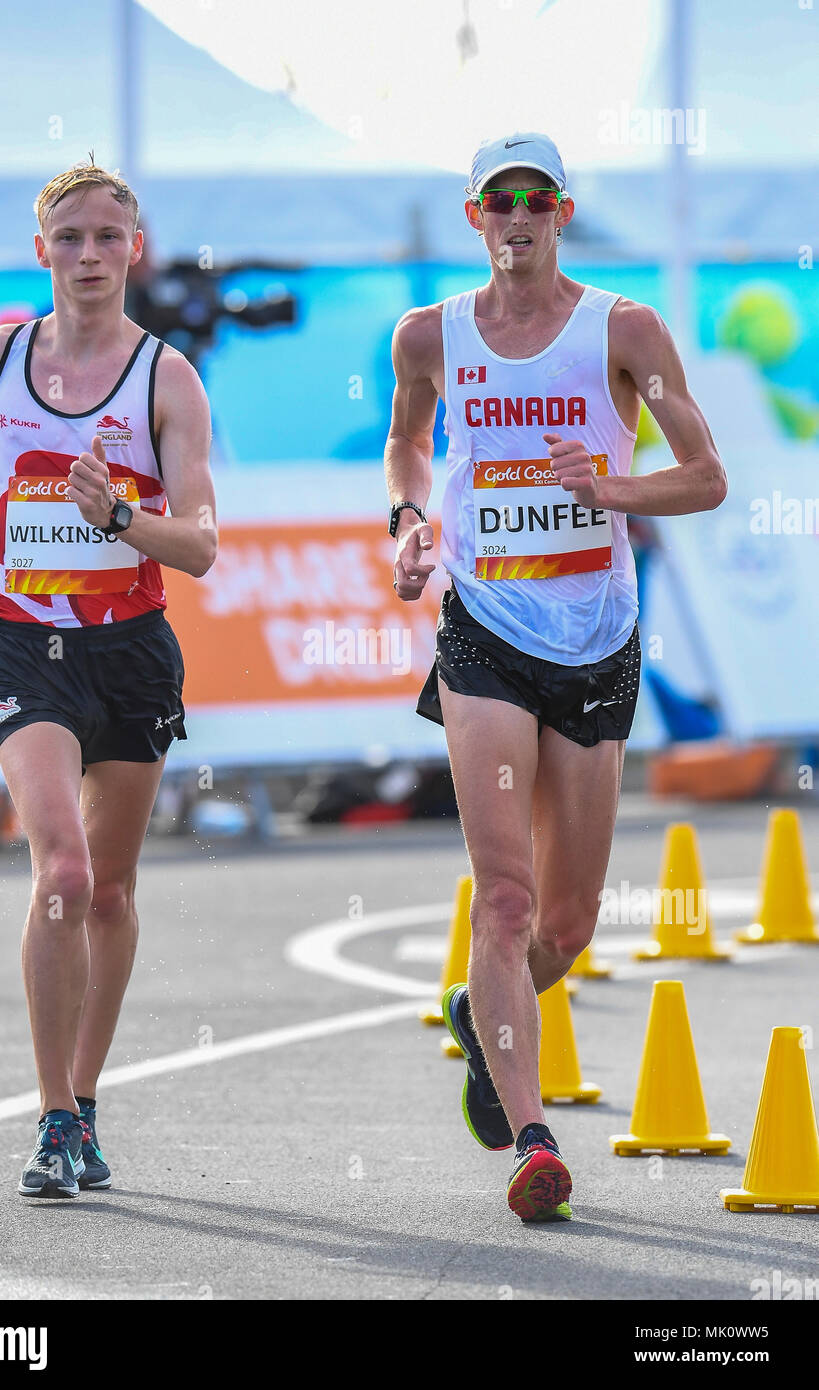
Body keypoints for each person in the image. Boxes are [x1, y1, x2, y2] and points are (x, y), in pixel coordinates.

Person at [385, 133, 726, 1221]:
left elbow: (707, 477)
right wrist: (406, 523)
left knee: (566, 925)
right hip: (483, 626)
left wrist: (613, 490)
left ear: (561, 212)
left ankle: (479, 1013)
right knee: (505, 893)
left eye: (535, 198)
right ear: (475, 217)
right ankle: (531, 1137)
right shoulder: (426, 336)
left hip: (595, 639)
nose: (517, 216)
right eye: (499, 200)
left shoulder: (622, 329)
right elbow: (405, 446)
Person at [0, 159, 217, 1198]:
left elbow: (204, 545)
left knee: (115, 889)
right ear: (41, 251)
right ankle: (48, 1120)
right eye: (70, 238)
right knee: (66, 876)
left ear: (136, 249)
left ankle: (84, 1102)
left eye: (108, 237)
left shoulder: (166, 376)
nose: (89, 256)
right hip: (23, 647)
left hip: (129, 650)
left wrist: (120, 518)